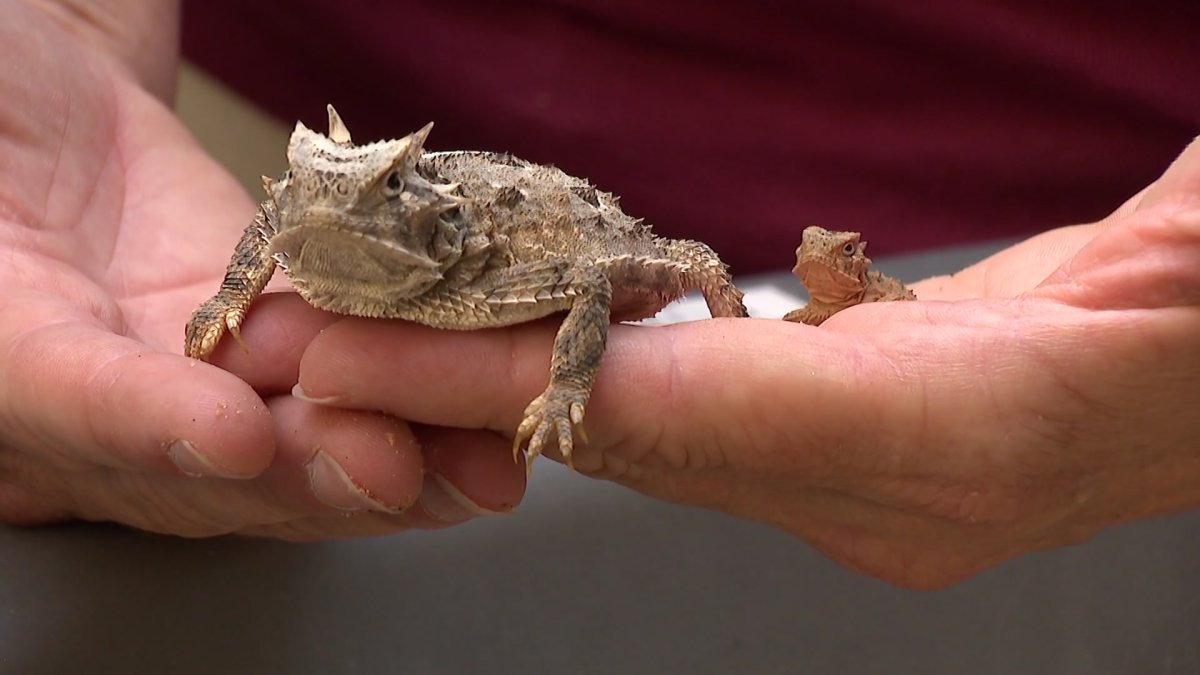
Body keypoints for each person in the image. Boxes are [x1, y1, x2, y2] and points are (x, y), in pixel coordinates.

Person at [0, 0, 1196, 589]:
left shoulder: (487, 271)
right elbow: (272, 216)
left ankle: (770, 332)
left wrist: (572, 382)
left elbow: (585, 277)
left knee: (693, 275)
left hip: (1065, 167)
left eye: (336, 222)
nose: (306, 237)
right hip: (296, 65)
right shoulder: (311, 222)